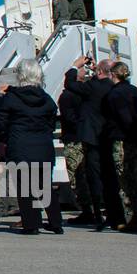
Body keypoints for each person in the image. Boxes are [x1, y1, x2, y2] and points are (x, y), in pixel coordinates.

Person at [0, 59, 63, 234]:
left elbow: (1, 123)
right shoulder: (46, 99)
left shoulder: (11, 98)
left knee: (25, 187)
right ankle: (56, 222)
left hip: (20, 145)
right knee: (45, 186)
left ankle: (31, 224)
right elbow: (51, 123)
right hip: (43, 146)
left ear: (20, 75)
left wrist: (5, 139)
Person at [62, 57, 125, 230]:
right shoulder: (114, 87)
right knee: (112, 176)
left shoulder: (94, 87)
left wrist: (74, 66)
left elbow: (70, 84)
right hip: (109, 135)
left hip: (93, 137)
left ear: (99, 72)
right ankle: (117, 214)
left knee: (95, 176)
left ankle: (98, 213)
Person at [103, 62, 137, 232]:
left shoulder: (115, 94)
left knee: (127, 180)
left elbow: (126, 119)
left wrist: (134, 136)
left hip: (125, 140)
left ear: (112, 75)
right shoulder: (134, 91)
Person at [58, 82, 94, 223]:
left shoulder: (67, 96)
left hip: (74, 139)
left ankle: (87, 210)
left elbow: (68, 117)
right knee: (83, 176)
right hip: (82, 137)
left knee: (77, 177)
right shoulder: (82, 96)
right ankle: (89, 209)